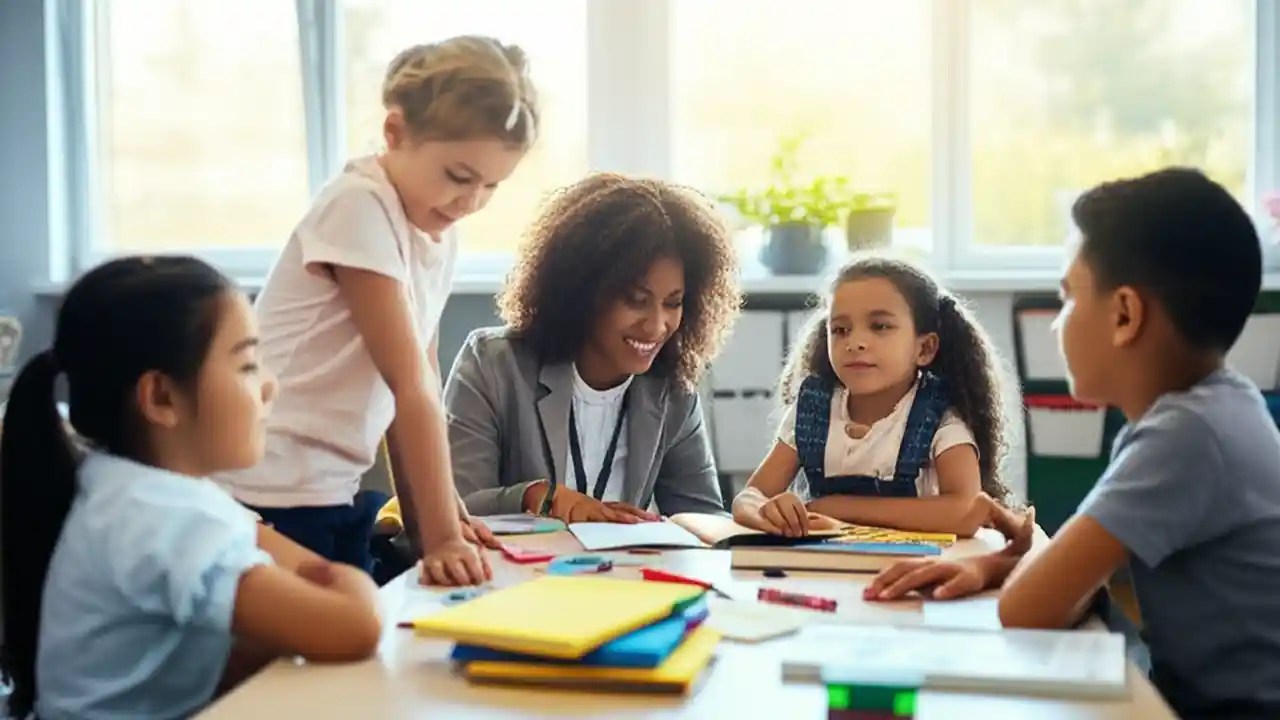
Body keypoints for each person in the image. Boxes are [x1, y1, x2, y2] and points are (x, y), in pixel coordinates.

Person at [866, 168, 1280, 718]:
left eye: (1067, 298)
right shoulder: (1216, 409)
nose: (1057, 324)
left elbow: (1025, 610)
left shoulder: (1185, 437)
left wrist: (1025, 564)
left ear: (1125, 315)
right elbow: (1086, 579)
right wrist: (1002, 564)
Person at [215, 36, 537, 586]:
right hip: (269, 487)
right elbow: (406, 382)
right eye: (459, 176)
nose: (472, 201)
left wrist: (436, 516)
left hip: (328, 489)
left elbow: (417, 387)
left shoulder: (434, 229)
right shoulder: (357, 205)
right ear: (395, 134)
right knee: (307, 656)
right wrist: (439, 539)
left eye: (492, 185)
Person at [0, 256, 380, 720]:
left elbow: (244, 650)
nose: (269, 386)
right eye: (247, 365)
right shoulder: (163, 514)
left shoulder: (120, 488)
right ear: (160, 397)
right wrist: (354, 582)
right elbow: (356, 627)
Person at [435, 173, 741, 522]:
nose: (657, 326)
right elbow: (453, 507)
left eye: (673, 303)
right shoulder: (493, 365)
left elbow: (702, 514)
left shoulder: (673, 387)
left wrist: (755, 525)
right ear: (582, 291)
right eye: (636, 300)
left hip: (625, 572)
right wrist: (537, 497)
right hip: (517, 573)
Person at [733, 256, 1013, 537]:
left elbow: (967, 510)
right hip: (824, 568)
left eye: (880, 326)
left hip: (913, 568)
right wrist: (766, 511)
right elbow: (751, 496)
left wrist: (839, 508)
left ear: (925, 348)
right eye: (841, 330)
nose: (855, 343)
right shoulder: (812, 411)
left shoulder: (939, 419)